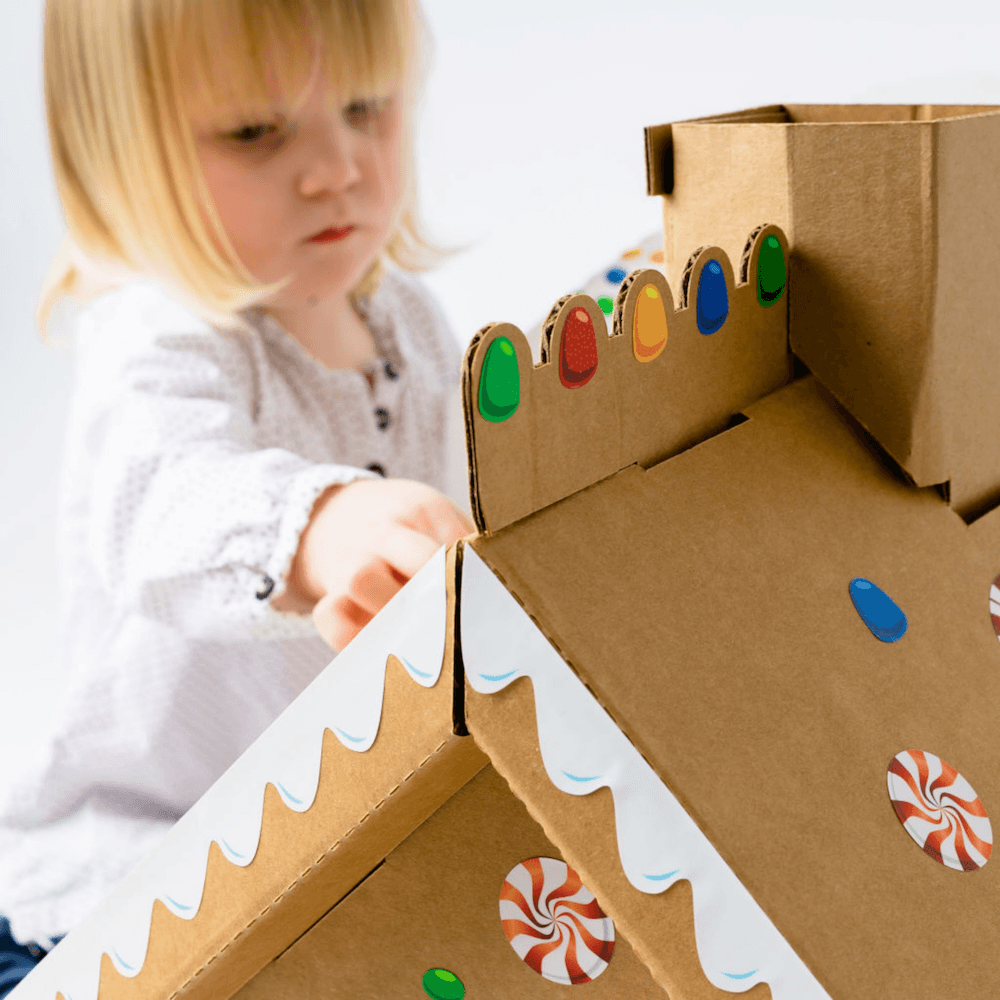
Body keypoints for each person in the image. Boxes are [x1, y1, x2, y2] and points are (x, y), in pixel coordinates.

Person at [0, 0, 473, 990]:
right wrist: (322, 524)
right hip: (120, 893)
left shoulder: (409, 325)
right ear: (122, 151)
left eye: (367, 104)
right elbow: (164, 500)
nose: (336, 166)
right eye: (256, 131)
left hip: (306, 870)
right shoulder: (160, 332)